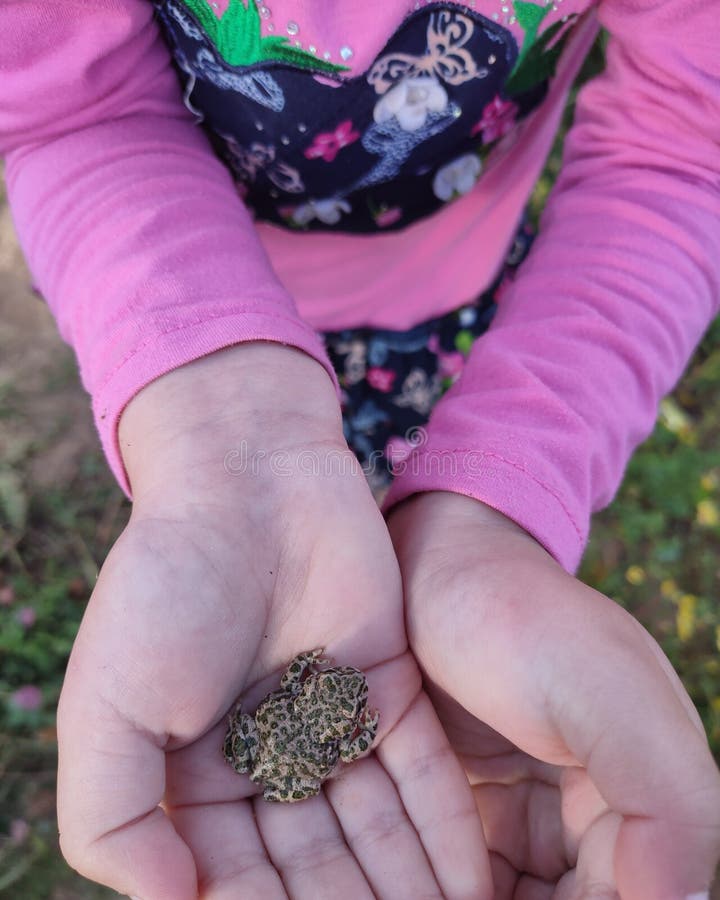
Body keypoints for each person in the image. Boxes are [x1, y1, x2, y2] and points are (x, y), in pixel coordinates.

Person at [2, 0, 719, 897]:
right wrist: (216, 438)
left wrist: (495, 499)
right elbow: (75, 109)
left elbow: (690, 141)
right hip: (191, 317)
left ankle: (409, 526)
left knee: (383, 469)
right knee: (310, 493)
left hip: (453, 293)